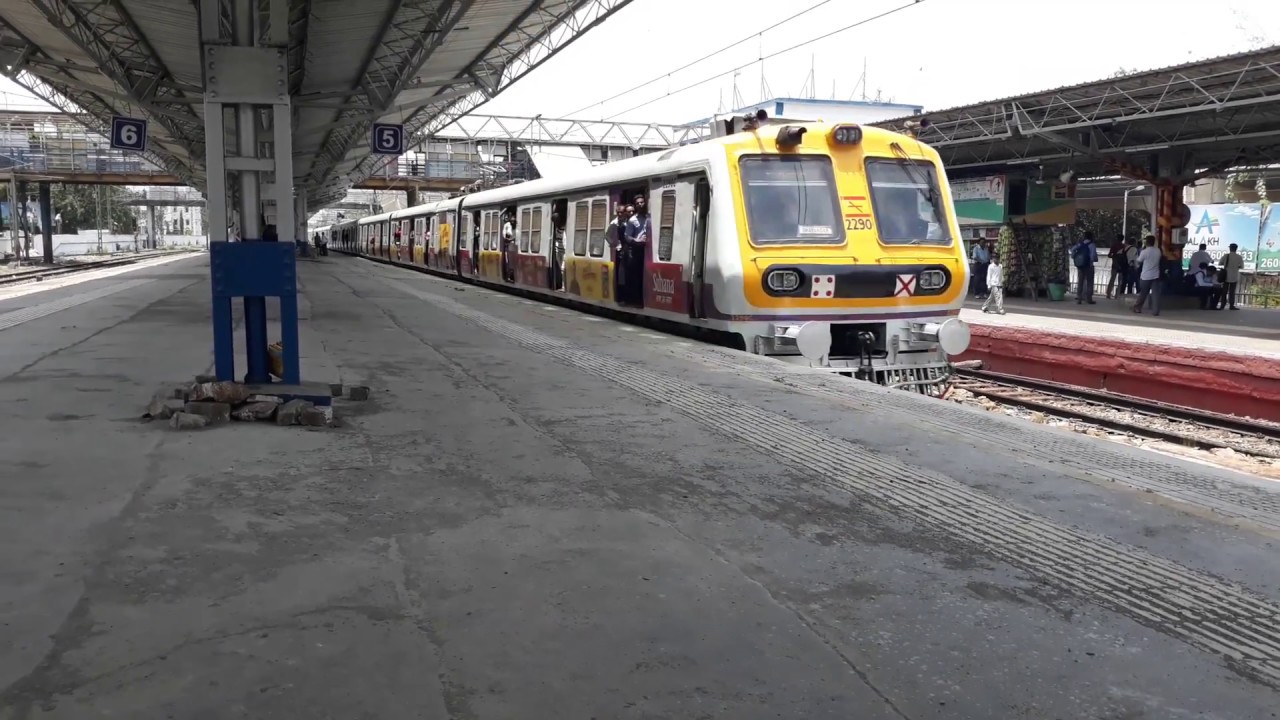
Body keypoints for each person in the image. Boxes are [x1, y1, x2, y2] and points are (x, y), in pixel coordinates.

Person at [1132, 235, 1163, 316]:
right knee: (1155, 294)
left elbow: (1138, 261)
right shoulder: (1158, 251)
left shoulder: (1144, 252)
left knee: (1143, 293)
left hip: (1145, 276)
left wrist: (1135, 265)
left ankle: (1137, 308)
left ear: (1147, 242)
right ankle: (1156, 311)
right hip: (1156, 275)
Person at [1070, 231, 1098, 304]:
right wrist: (1091, 262)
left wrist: (1074, 257)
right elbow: (1092, 255)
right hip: (1088, 266)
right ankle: (1089, 298)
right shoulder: (1092, 245)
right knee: (1089, 282)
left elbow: (1073, 249)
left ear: (1084, 236)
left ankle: (1079, 298)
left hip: (1080, 266)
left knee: (1080, 282)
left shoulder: (1080, 244)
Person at [1218, 243, 1244, 310]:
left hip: (1226, 276)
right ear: (1236, 249)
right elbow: (1241, 266)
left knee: (1224, 291)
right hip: (1234, 276)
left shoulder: (1226, 256)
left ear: (1230, 248)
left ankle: (1222, 305)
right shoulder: (1239, 257)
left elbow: (1220, 263)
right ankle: (1231, 305)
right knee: (1232, 292)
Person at [1105, 233, 1128, 299]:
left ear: (1117, 238)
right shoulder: (1124, 246)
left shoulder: (1114, 245)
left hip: (1115, 265)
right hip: (1122, 266)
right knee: (1120, 281)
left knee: (1112, 279)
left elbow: (1109, 255)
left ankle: (1108, 294)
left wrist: (1113, 256)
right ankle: (1117, 295)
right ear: (1122, 239)